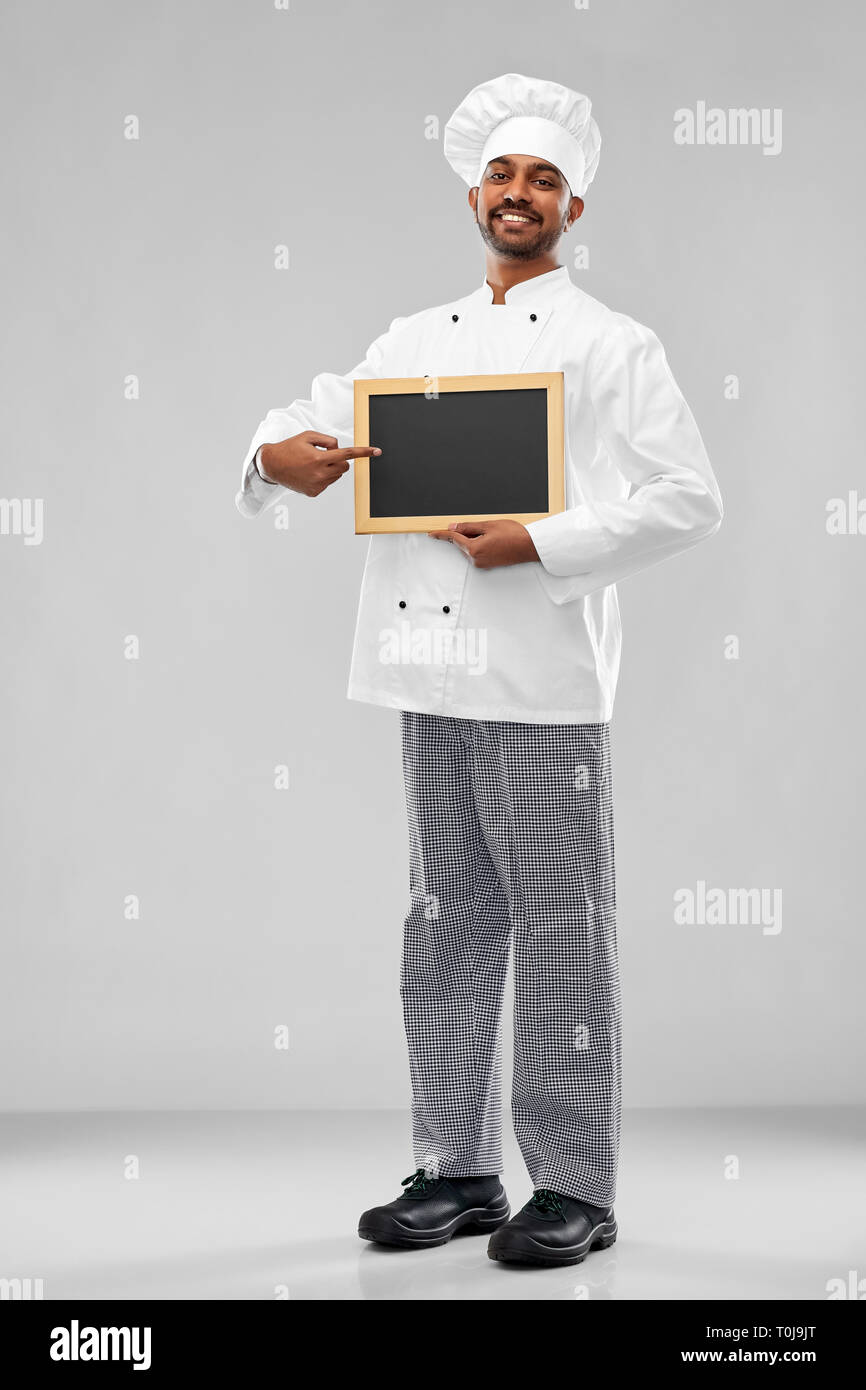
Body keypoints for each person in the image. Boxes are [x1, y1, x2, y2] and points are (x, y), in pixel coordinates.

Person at [236, 72, 723, 1268]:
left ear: (572, 205)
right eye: (502, 175)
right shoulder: (411, 340)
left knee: (561, 929)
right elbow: (309, 421)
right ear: (472, 194)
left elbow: (686, 498)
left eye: (542, 179)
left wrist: (539, 541)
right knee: (442, 926)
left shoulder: (613, 344)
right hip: (427, 675)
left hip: (545, 681)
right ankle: (458, 1169)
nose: (519, 193)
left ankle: (573, 1186)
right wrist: (270, 455)